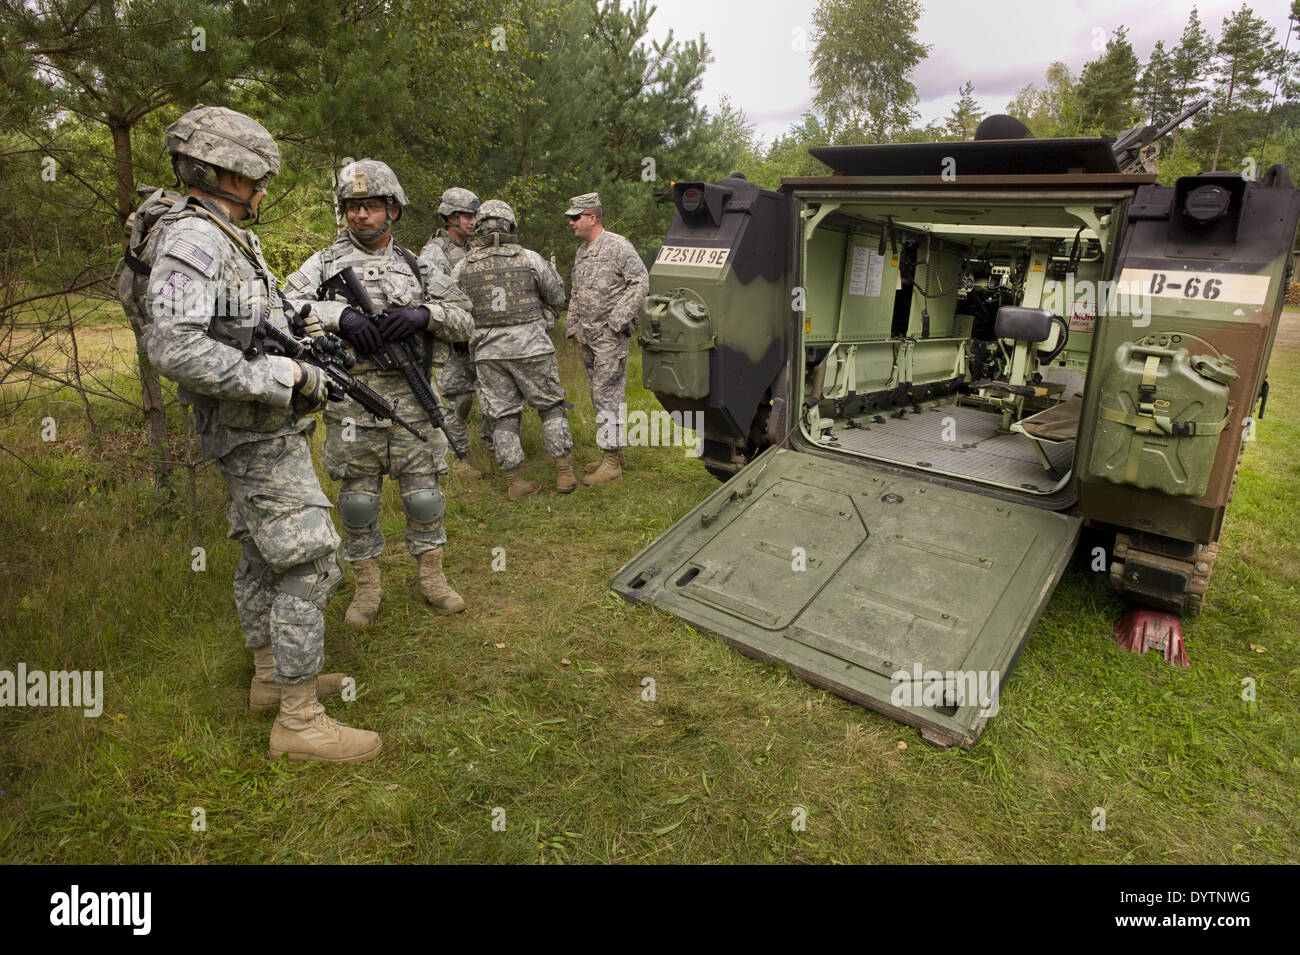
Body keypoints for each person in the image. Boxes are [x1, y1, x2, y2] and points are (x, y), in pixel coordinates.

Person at [142, 105, 379, 763]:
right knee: (311, 558)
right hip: (249, 429)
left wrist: (320, 328)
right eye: (258, 177)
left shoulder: (225, 232)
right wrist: (285, 375)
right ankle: (300, 724)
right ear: (227, 170)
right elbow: (173, 346)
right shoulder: (196, 238)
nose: (263, 190)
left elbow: (263, 315)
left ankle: (273, 680)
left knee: (261, 554)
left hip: (257, 428)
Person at [283, 160, 474, 628]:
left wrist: (424, 316)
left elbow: (466, 319)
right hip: (352, 398)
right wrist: (339, 317)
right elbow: (281, 307)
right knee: (358, 502)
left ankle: (432, 579)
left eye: (370, 206)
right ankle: (367, 589)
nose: (359, 216)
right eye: (351, 207)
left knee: (424, 496)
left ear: (393, 210)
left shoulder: (418, 264)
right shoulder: (324, 263)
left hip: (415, 395)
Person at [451, 200, 575, 499]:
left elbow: (453, 310)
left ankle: (515, 482)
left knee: (503, 416)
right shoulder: (529, 258)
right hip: (531, 346)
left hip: (488, 353)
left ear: (479, 227)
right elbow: (558, 296)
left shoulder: (462, 267)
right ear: (510, 226)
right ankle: (564, 474)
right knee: (550, 406)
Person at [565, 192, 649, 486]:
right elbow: (576, 291)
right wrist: (573, 325)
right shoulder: (583, 252)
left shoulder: (617, 246)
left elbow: (640, 282)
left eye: (576, 217)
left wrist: (616, 321)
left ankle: (611, 463)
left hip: (609, 338)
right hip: (588, 337)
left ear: (592, 218)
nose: (572, 223)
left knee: (606, 395)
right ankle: (613, 453)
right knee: (599, 395)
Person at [419, 187, 491, 479]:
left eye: (474, 216)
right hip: (453, 343)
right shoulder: (434, 253)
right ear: (450, 217)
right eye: (466, 216)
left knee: (489, 396)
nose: (472, 222)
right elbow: (430, 298)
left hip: (481, 338)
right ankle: (457, 459)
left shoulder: (475, 250)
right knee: (459, 401)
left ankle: (492, 450)